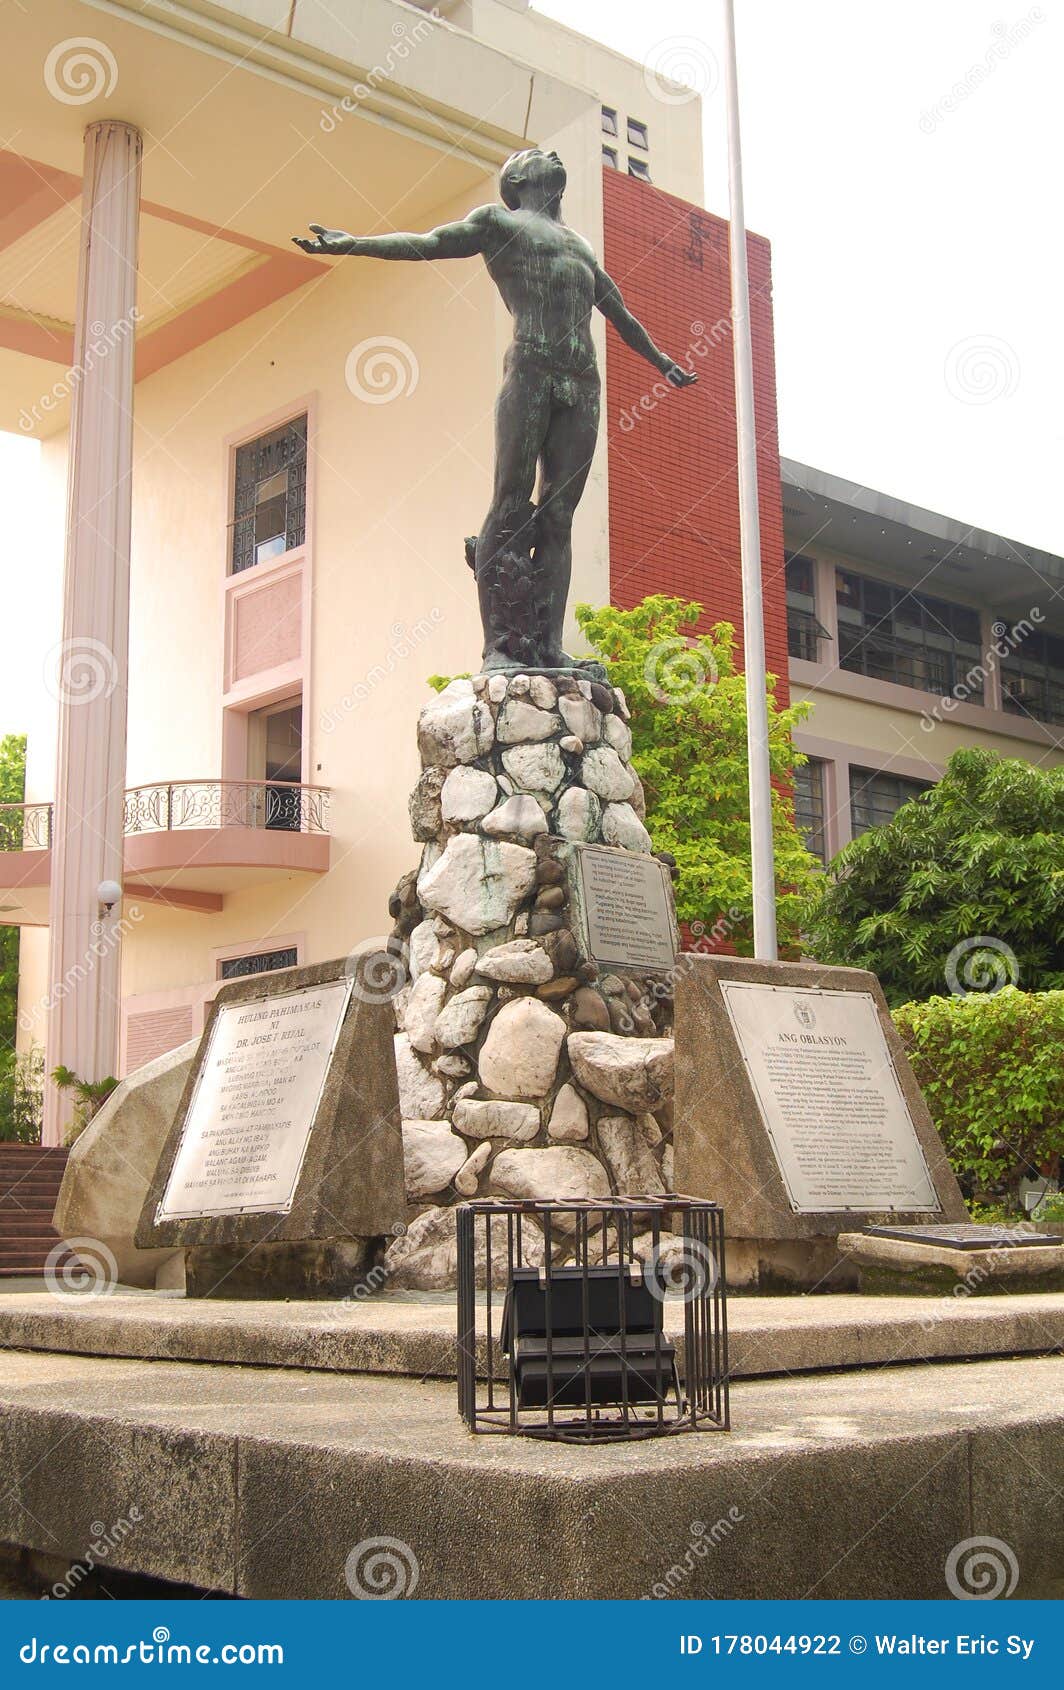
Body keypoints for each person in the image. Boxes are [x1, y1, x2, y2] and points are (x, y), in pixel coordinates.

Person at [295, 146, 697, 669]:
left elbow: (619, 314)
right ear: (519, 177)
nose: (552, 153)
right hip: (530, 370)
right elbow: (427, 244)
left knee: (559, 518)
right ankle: (500, 649)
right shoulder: (497, 224)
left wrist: (662, 362)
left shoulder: (580, 245)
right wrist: (354, 245)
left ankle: (550, 648)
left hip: (583, 382)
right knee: (509, 504)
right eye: (536, 154)